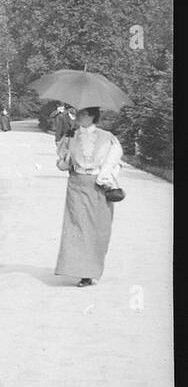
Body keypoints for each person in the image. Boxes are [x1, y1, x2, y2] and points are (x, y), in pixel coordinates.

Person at [54, 106, 123, 286]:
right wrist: (66, 153)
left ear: (92, 116)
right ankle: (81, 271)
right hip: (77, 184)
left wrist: (104, 176)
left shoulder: (107, 137)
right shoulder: (71, 136)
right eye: (77, 114)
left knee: (97, 229)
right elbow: (61, 164)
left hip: (99, 185)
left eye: (83, 114)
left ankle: (91, 270)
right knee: (77, 228)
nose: (78, 117)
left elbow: (115, 160)